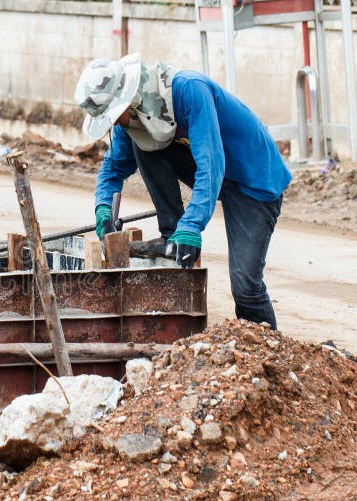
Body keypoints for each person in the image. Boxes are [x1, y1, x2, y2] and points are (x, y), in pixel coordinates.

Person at [74, 53, 291, 329]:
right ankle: (170, 235)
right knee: (143, 144)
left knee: (245, 287)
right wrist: (103, 208)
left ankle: (267, 346)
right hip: (219, 173)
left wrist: (192, 226)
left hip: (255, 181)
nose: (115, 124)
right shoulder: (132, 121)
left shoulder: (189, 90)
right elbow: (112, 170)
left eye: (114, 116)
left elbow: (211, 162)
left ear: (129, 99)